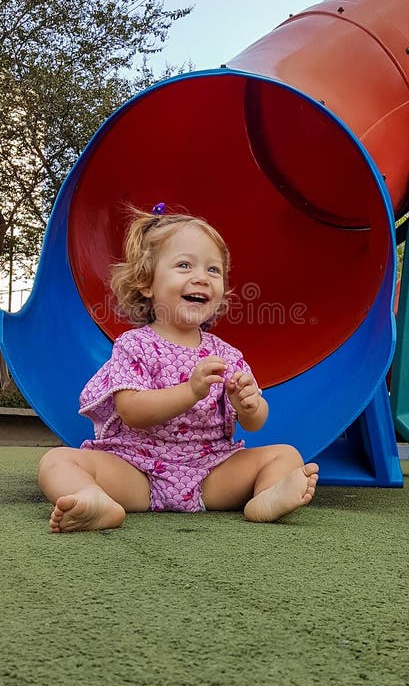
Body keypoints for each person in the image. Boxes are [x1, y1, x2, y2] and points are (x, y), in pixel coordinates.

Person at [38, 205, 319, 532]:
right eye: (184, 265)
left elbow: (254, 424)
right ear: (147, 283)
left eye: (213, 270)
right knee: (57, 461)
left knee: (285, 455)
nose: (201, 277)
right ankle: (93, 499)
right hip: (137, 471)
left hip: (211, 473)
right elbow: (130, 410)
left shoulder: (225, 354)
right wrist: (190, 391)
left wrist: (250, 405)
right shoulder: (134, 345)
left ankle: (266, 497)